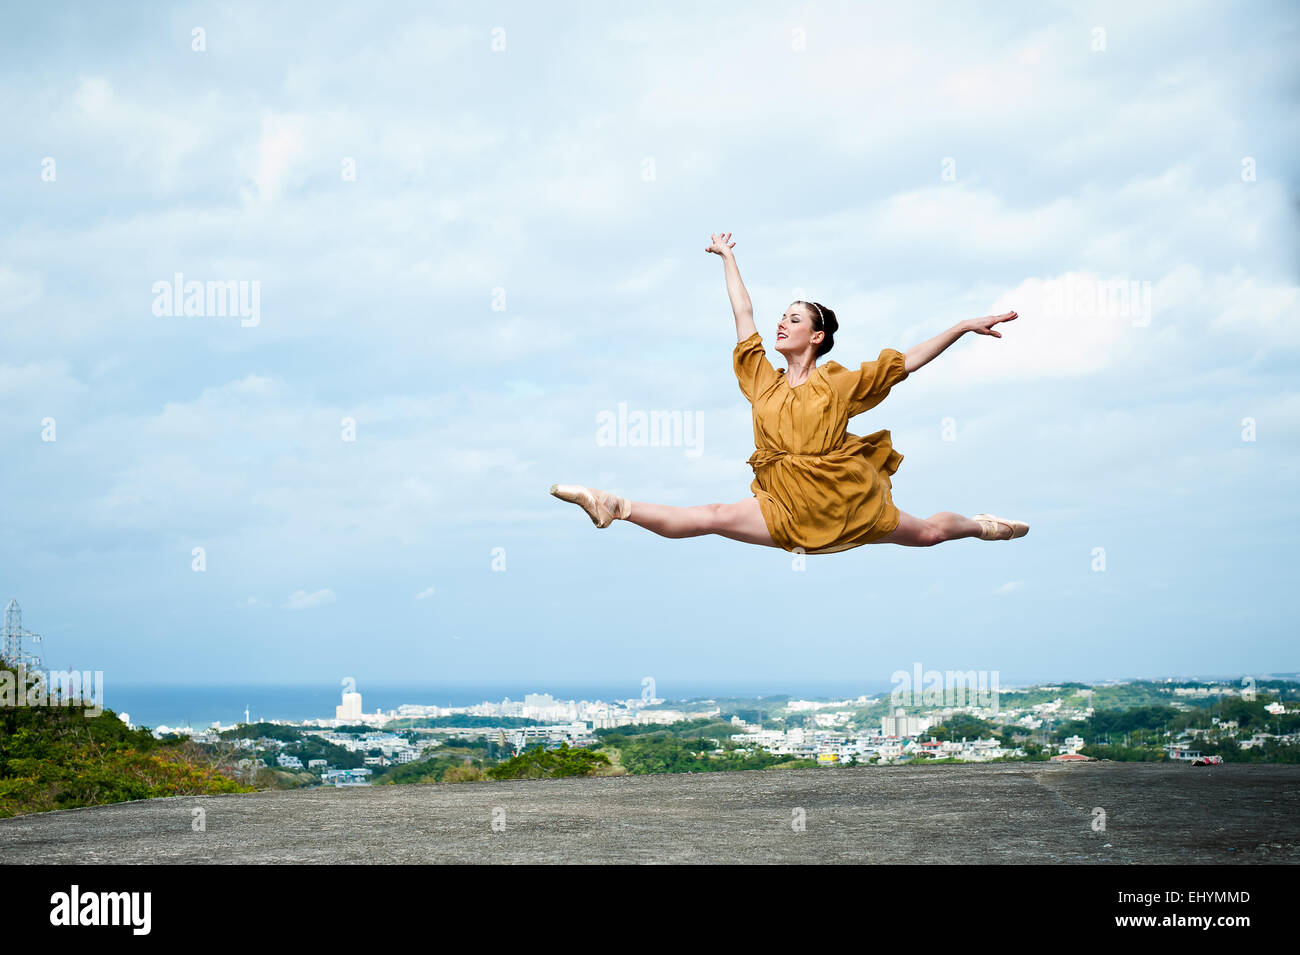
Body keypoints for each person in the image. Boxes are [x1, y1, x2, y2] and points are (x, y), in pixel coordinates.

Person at [550, 232, 1028, 551]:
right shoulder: (761, 379)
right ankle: (616, 505)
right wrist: (729, 259)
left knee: (925, 534)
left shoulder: (838, 381)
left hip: (843, 497)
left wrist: (964, 326)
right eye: (782, 317)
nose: (782, 323)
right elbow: (743, 316)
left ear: (816, 336)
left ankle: (982, 525)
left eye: (794, 319)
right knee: (713, 515)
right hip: (783, 502)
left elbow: (908, 361)